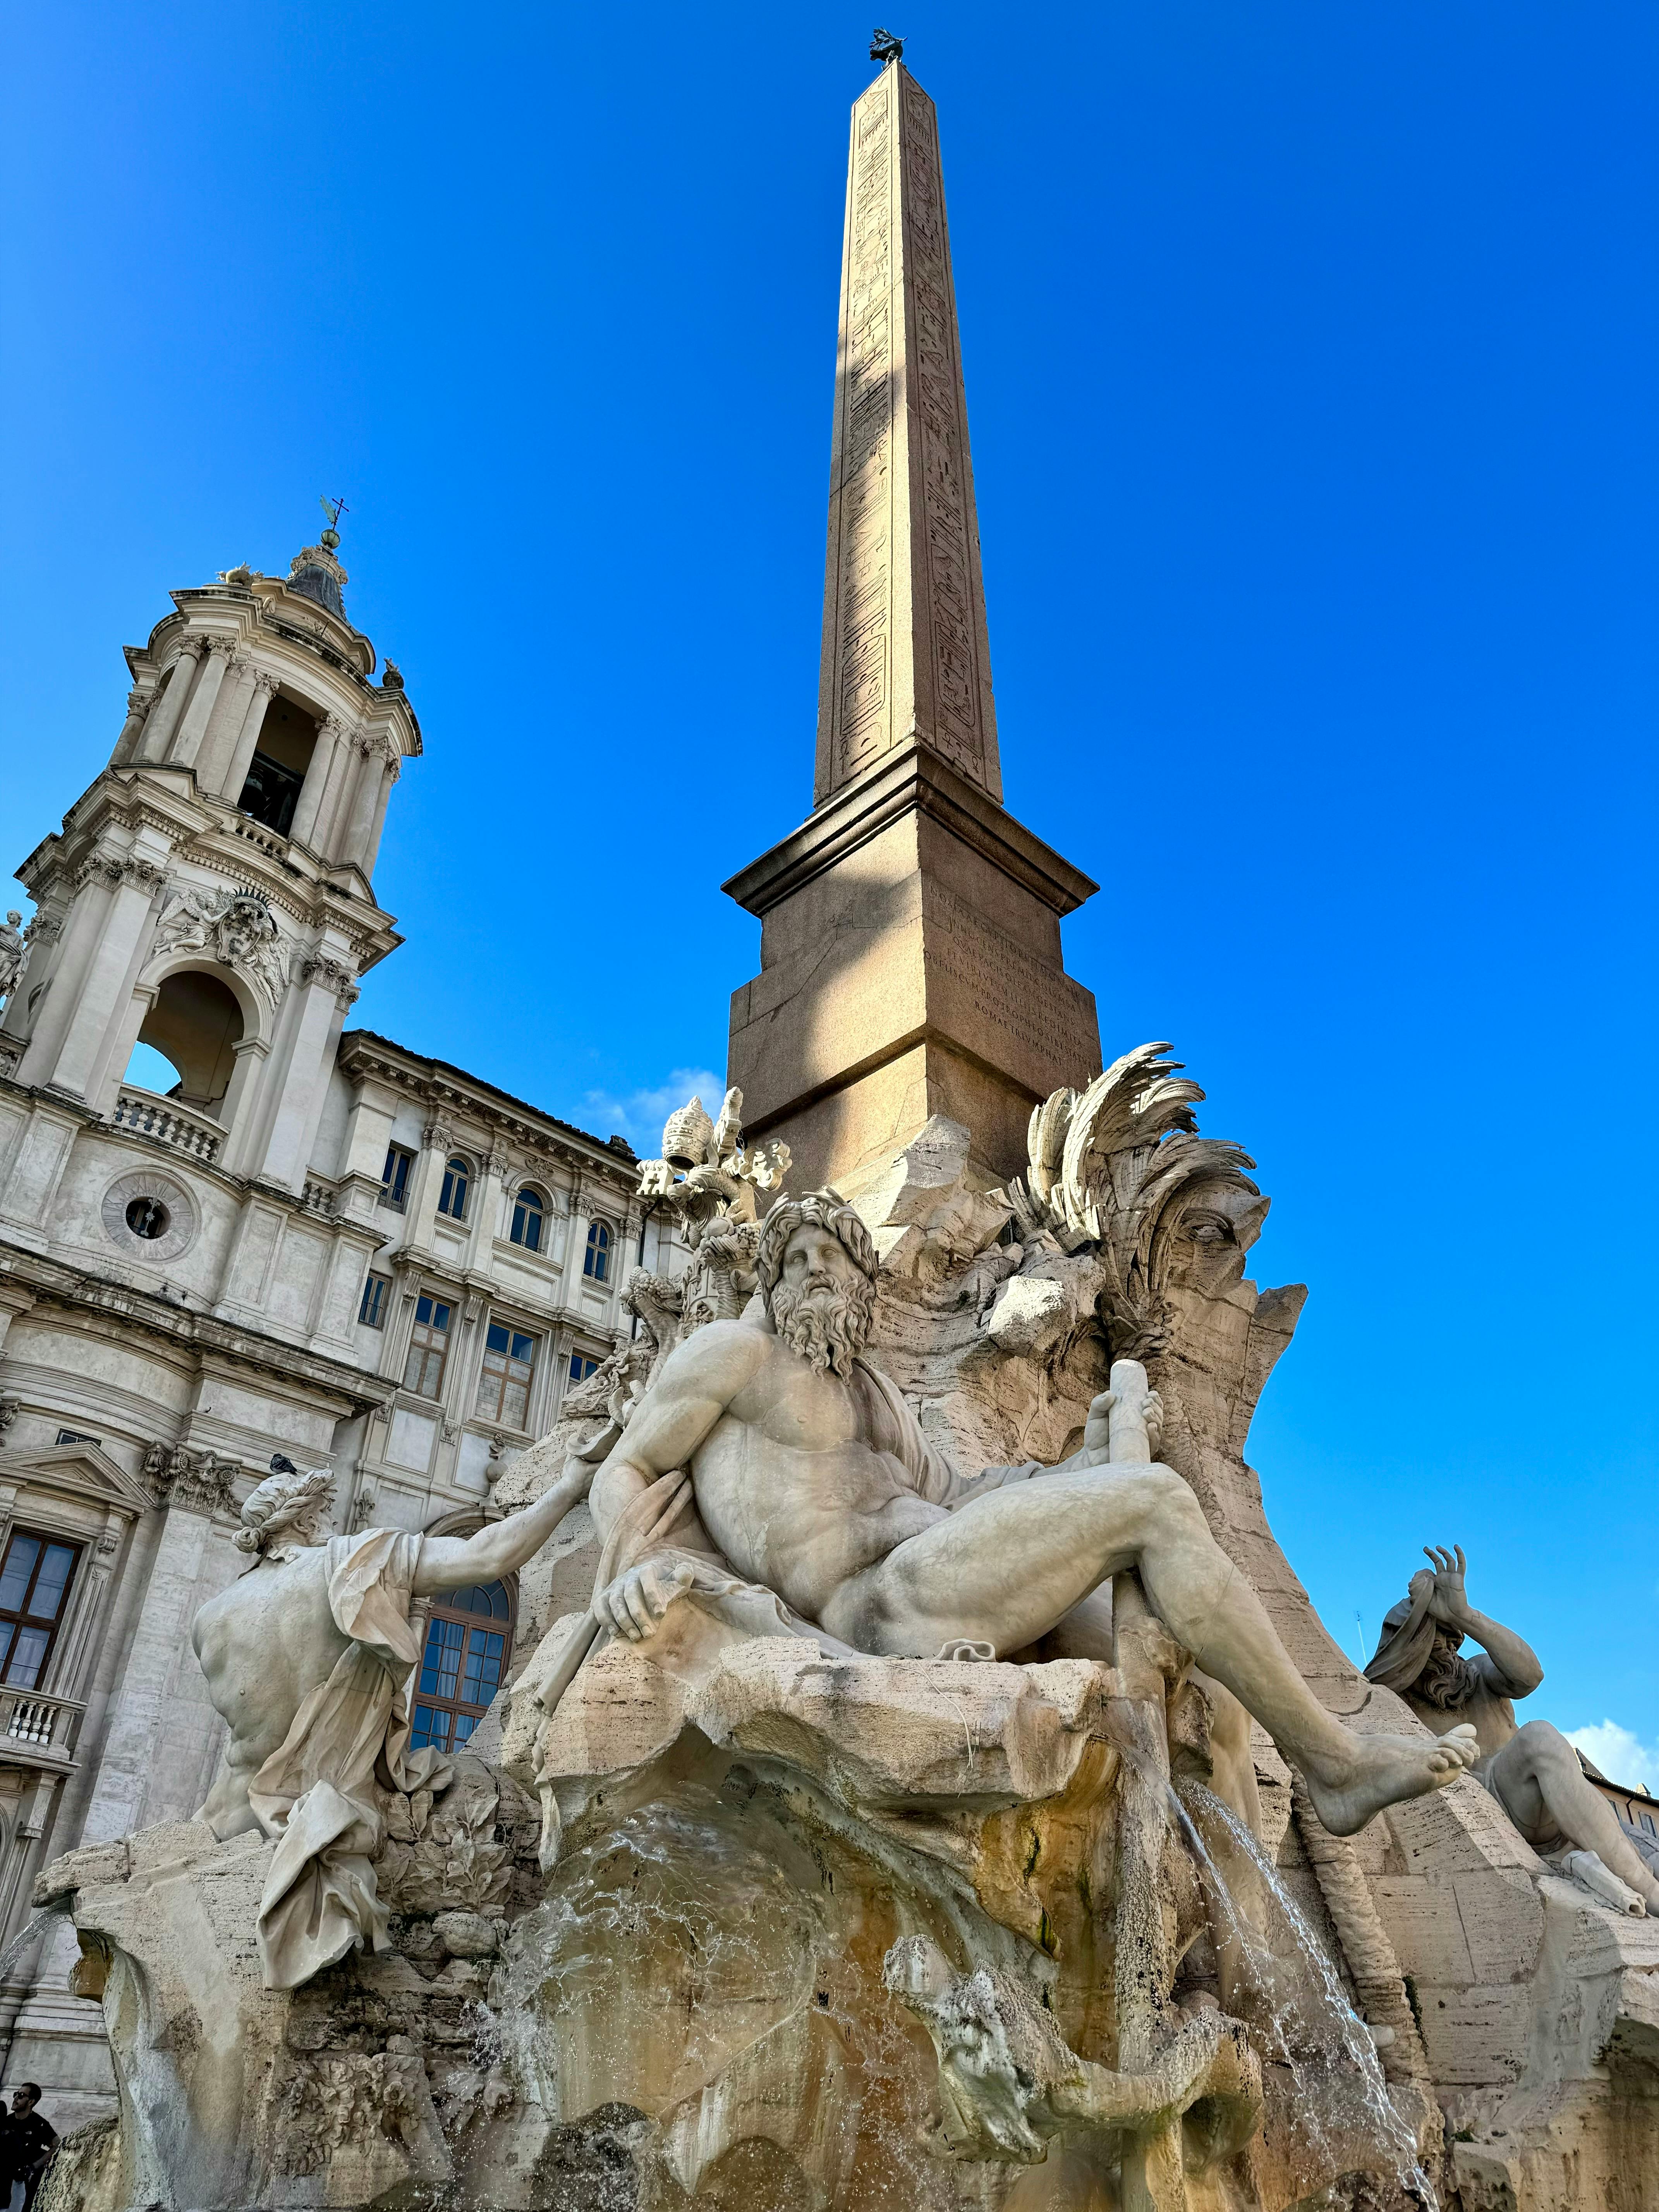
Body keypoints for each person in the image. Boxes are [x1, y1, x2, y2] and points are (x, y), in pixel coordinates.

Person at [587, 1191, 1478, 1838]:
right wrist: (629, 1562)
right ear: (774, 1283)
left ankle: (1223, 1962)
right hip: (875, 1607)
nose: (814, 1270)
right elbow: (626, 1464)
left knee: (1203, 1691)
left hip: (937, 1573)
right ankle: (1336, 1765)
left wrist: (1086, 1462)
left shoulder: (879, 1397)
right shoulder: (735, 1355)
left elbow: (965, 1500)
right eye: (796, 1259)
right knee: (1159, 1504)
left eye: (834, 1256)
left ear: (866, 1283)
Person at [191, 1441, 595, 1988]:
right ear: (307, 1518)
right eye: (320, 1511)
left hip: (228, 1825)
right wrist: (571, 1483)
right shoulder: (350, 1562)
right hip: (326, 1821)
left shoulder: (211, 1615)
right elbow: (487, 1557)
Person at [1367, 1543, 1659, 1912]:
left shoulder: (1478, 1674)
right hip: (1494, 1819)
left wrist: (1465, 1614)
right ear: (1408, 1651)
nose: (1446, 1648)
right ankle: (1650, 1895)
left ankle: (1646, 1885)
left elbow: (1531, 1675)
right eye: (1432, 1637)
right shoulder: (1400, 1708)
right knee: (1537, 1738)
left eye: (1449, 1635)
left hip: (1566, 1817)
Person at [3, 2085, 56, 2211]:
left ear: (31, 2102)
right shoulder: (5, 2122)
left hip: (22, 2184)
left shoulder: (39, 2124)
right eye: (16, 2094)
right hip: (4, 2183)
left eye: (21, 2096)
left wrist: (34, 2167)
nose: (16, 2098)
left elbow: (57, 2145)